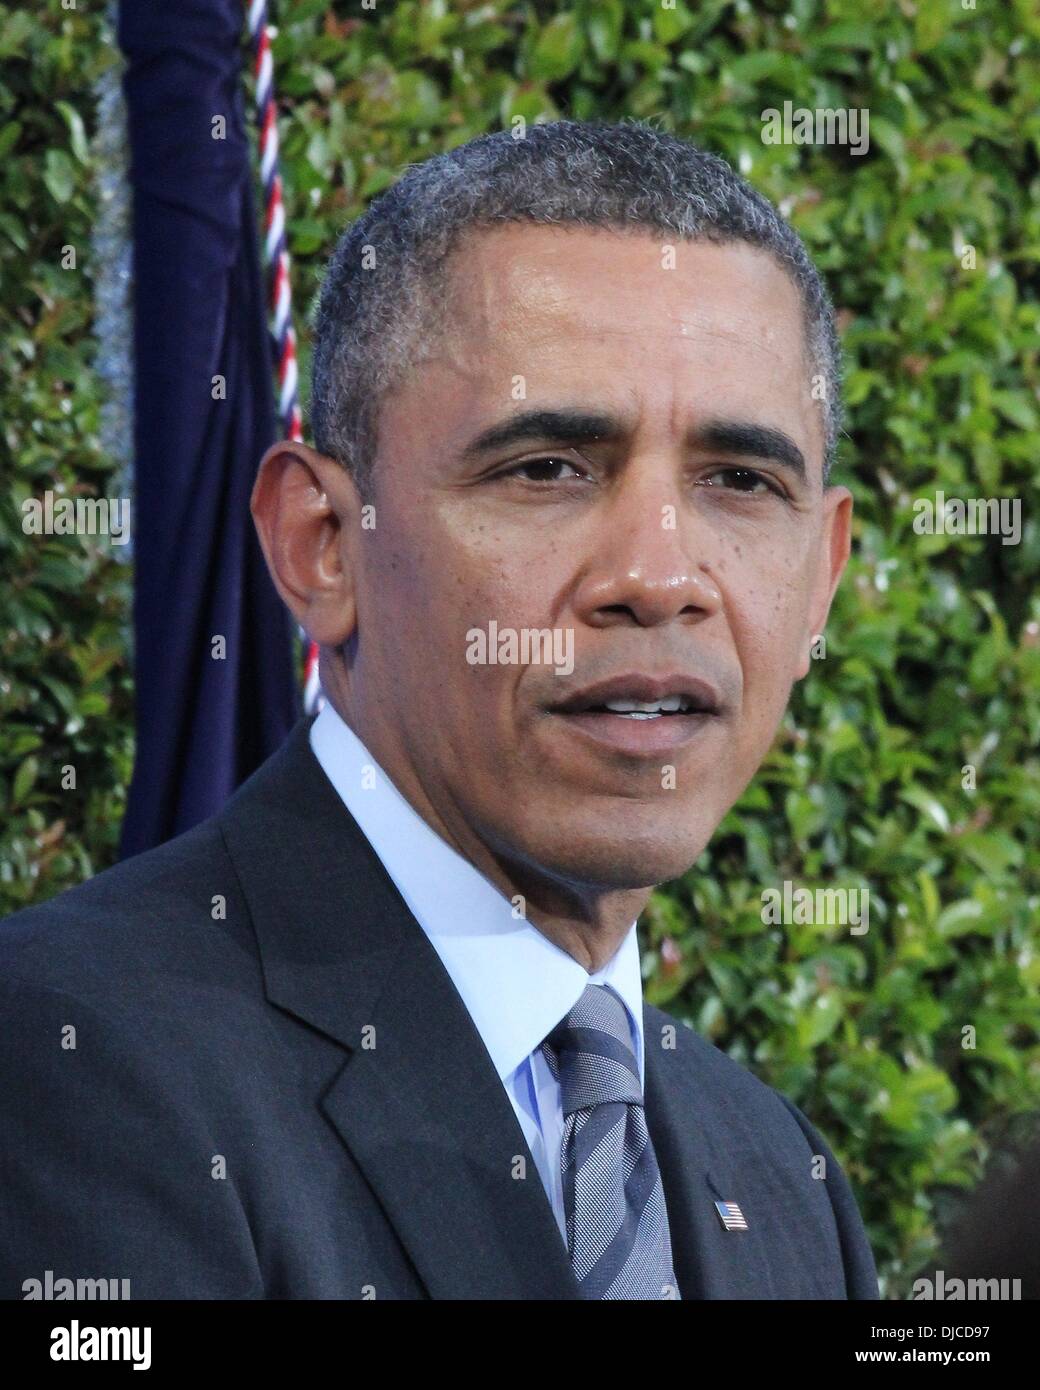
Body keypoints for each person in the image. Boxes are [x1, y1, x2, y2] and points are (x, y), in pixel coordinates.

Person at [0, 119, 876, 1300]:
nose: (659, 574)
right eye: (547, 468)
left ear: (820, 574)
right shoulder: (69, 1059)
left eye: (738, 481)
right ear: (321, 546)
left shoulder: (782, 1181)